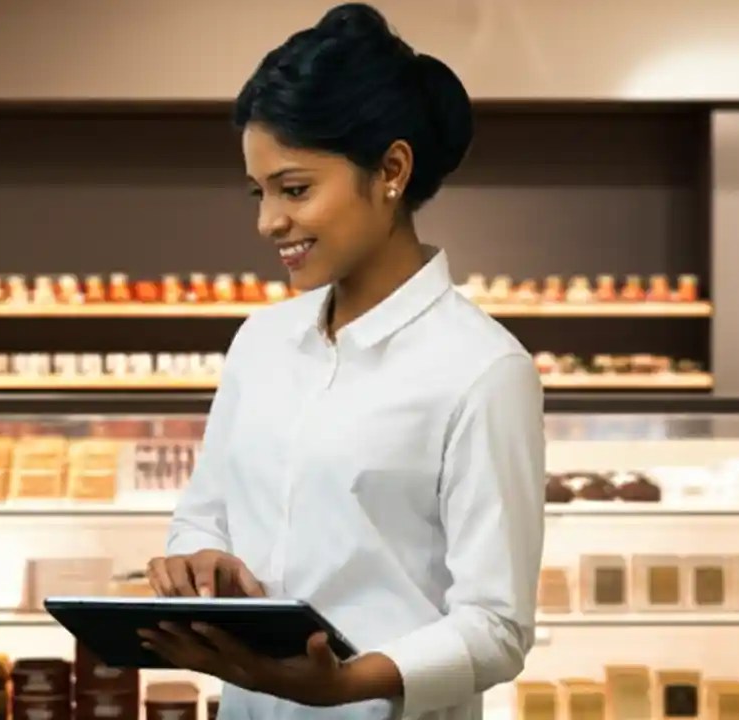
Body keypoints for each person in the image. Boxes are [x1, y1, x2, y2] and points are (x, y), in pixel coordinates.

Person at [142, 3, 546, 718]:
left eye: (295, 189)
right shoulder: (260, 343)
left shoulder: (482, 370)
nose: (269, 222)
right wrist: (198, 562)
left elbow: (498, 627)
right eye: (259, 193)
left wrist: (346, 684)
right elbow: (204, 518)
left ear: (391, 170)